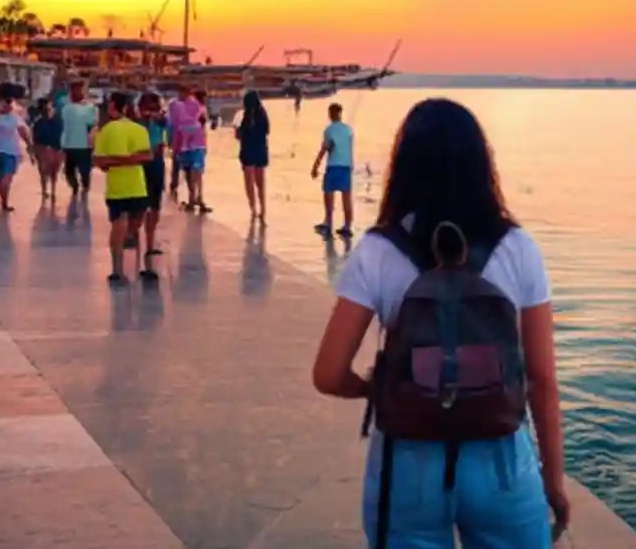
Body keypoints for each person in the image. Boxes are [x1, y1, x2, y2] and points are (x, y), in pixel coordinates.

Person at [311, 99, 569, 548]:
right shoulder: (518, 247)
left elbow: (329, 374)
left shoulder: (378, 250)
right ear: (481, 163)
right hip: (500, 460)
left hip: (406, 463)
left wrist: (380, 388)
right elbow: (542, 379)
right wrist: (553, 481)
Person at [93, 92, 153, 287]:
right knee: (134, 228)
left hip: (117, 188)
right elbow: (145, 156)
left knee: (119, 228)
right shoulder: (139, 130)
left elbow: (100, 161)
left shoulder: (105, 131)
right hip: (136, 186)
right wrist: (129, 159)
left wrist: (115, 161)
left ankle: (117, 269)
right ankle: (137, 265)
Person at [137, 92, 169, 279]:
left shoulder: (159, 121)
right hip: (142, 162)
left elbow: (165, 123)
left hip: (156, 162)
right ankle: (137, 238)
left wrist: (156, 115)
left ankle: (150, 242)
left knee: (155, 205)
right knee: (141, 204)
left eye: (154, 107)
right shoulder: (137, 123)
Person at [311, 103, 354, 237]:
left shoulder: (329, 130)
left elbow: (326, 148)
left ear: (330, 114)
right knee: (346, 197)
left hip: (333, 165)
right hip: (346, 166)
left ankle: (328, 222)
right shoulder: (349, 130)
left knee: (328, 194)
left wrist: (316, 165)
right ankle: (347, 226)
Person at [169, 85, 210, 213]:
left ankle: (195, 198)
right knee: (194, 172)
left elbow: (176, 126)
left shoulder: (183, 106)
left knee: (192, 172)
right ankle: (196, 198)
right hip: (191, 143)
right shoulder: (186, 106)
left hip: (190, 144)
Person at [0, 97, 34, 213]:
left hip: (2, 151)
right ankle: (4, 202)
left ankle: (3, 201)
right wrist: (29, 146)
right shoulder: (6, 118)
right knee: (5, 178)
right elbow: (23, 133)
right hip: (6, 151)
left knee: (2, 178)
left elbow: (23, 133)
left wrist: (30, 146)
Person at [236, 90, 270, 223]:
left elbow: (239, 135)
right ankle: (263, 210)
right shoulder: (262, 115)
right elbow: (267, 131)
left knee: (249, 182)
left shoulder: (245, 117)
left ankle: (253, 208)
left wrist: (237, 130)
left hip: (247, 151)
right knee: (260, 183)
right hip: (260, 151)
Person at [60, 80, 97, 197]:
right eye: (75, 90)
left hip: (84, 145)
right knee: (70, 171)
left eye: (80, 90)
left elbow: (93, 123)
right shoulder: (67, 108)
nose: (78, 93)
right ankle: (76, 187)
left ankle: (83, 187)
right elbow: (66, 127)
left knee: (83, 171)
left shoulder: (89, 108)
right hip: (72, 145)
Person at [31, 98, 64, 201]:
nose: (49, 110)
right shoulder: (39, 122)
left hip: (56, 148)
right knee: (44, 171)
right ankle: (45, 189)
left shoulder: (58, 121)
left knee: (53, 171)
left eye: (50, 108)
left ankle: (51, 190)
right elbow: (35, 138)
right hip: (44, 148)